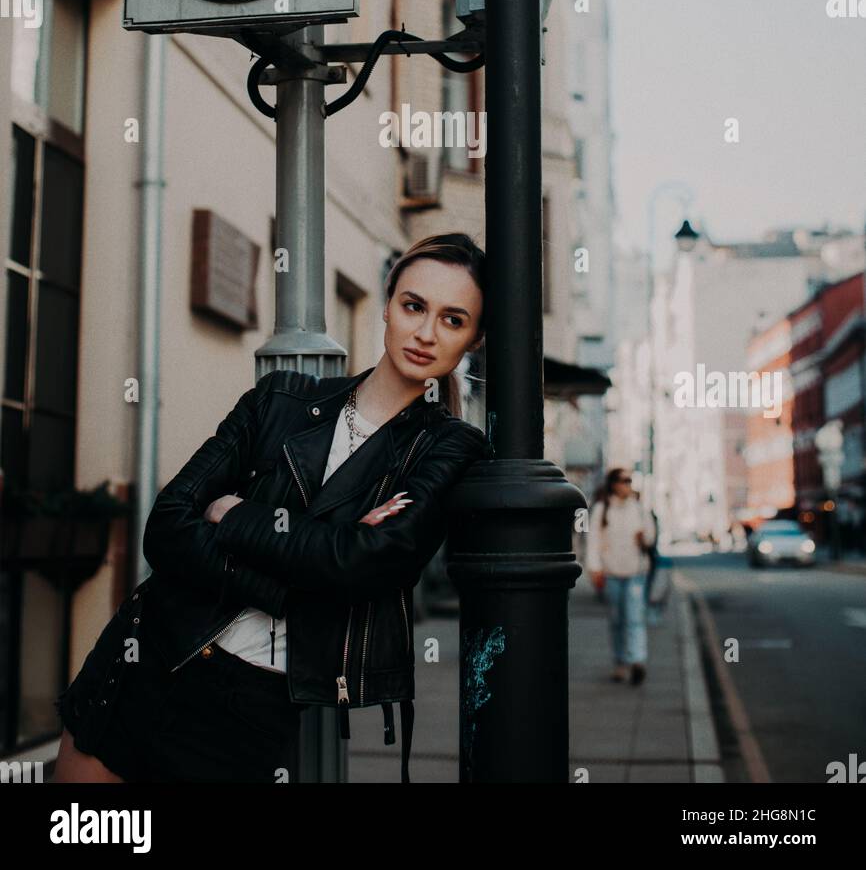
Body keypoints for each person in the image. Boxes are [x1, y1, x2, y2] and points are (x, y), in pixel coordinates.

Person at [53, 232, 490, 783]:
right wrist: (303, 582)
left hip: (249, 706)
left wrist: (233, 514)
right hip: (144, 655)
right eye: (413, 306)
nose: (425, 333)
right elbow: (166, 527)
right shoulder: (279, 399)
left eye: (453, 320)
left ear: (473, 338)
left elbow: (366, 563)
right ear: (387, 304)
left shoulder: (449, 448)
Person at [586, 468, 656, 685]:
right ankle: (620, 662)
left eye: (630, 481)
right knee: (617, 620)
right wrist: (594, 568)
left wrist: (644, 538)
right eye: (624, 481)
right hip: (611, 573)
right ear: (614, 484)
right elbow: (593, 541)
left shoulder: (638, 508)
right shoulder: (601, 509)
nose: (628, 485)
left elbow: (651, 537)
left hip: (636, 572)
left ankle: (637, 661)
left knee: (634, 619)